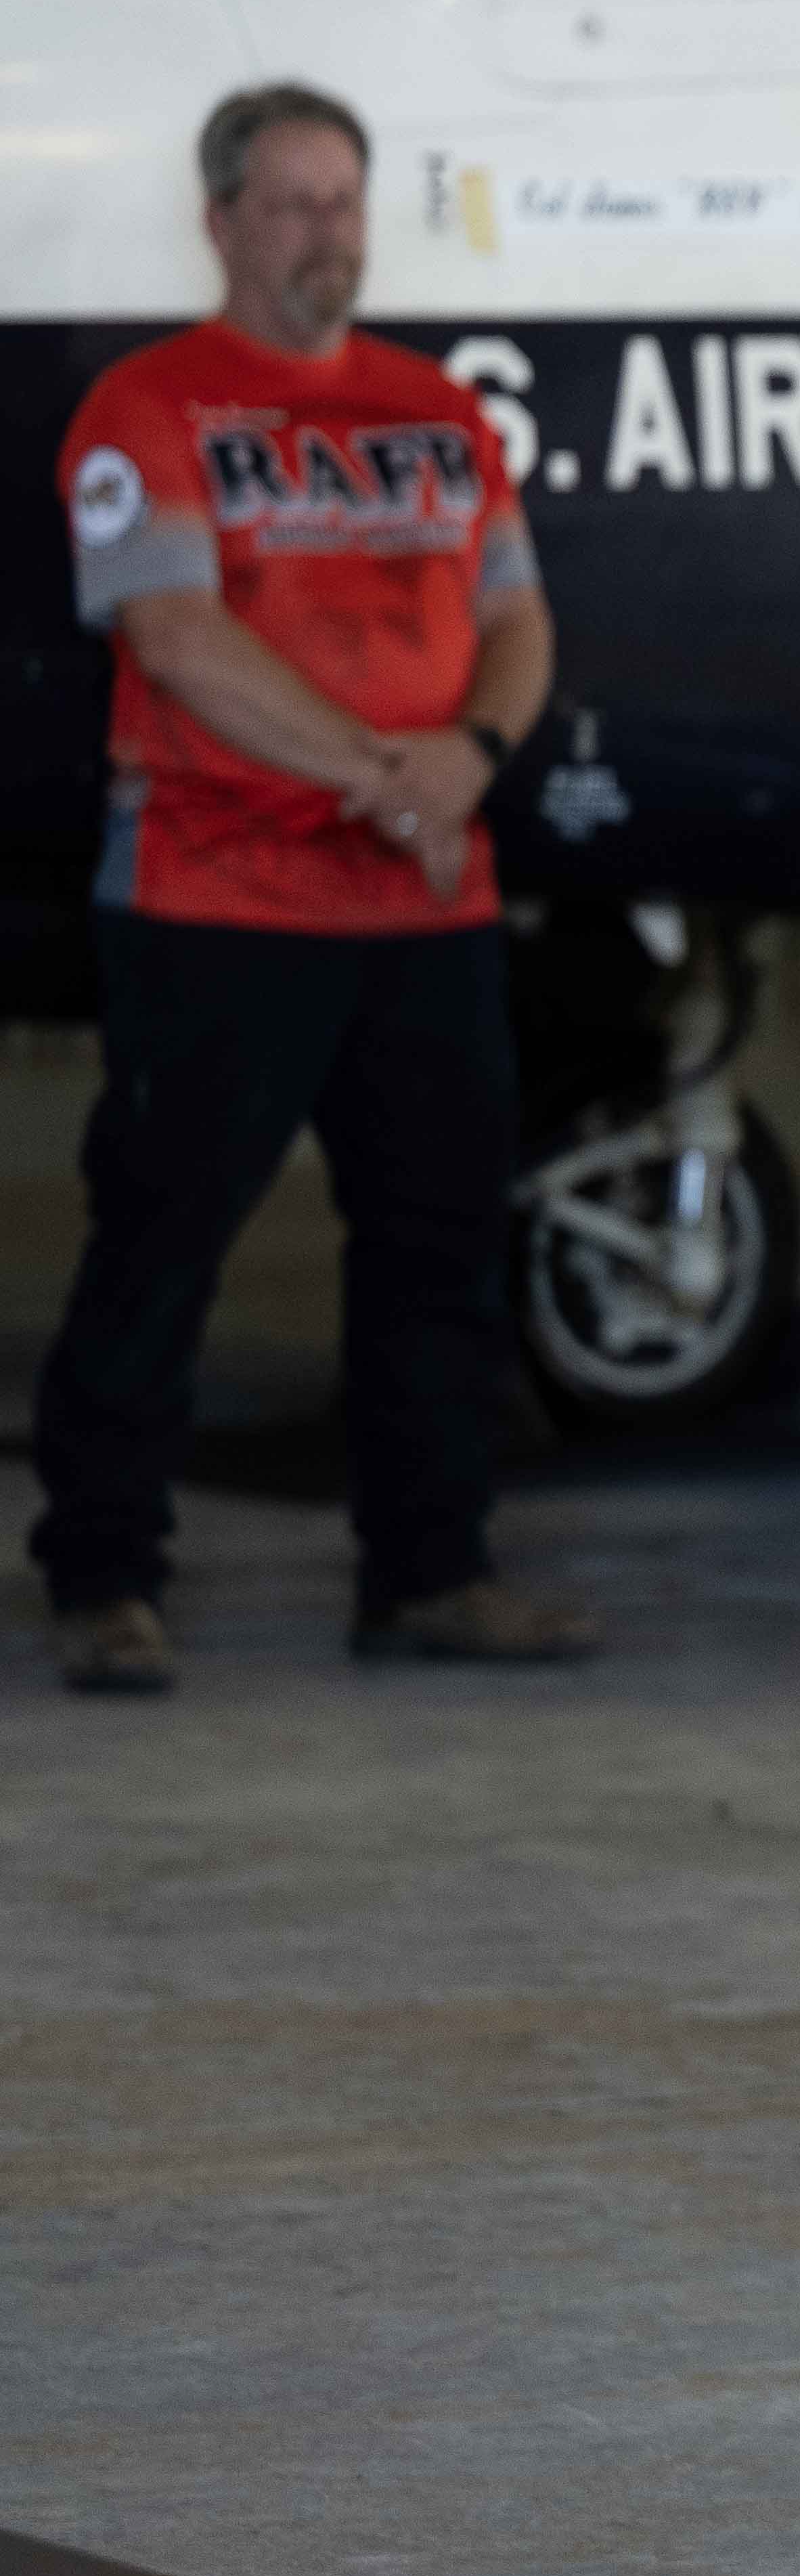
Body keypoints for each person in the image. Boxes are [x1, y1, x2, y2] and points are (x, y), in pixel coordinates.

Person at [32, 83, 598, 1695]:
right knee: (158, 1246)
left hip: (430, 909)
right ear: (218, 223)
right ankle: (101, 1584)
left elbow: (519, 617)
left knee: (434, 1250)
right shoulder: (148, 411)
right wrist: (389, 773)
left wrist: (470, 758)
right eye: (289, 203)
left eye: (343, 202)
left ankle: (431, 1573)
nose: (324, 233)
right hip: (216, 905)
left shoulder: (439, 407)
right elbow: (178, 642)